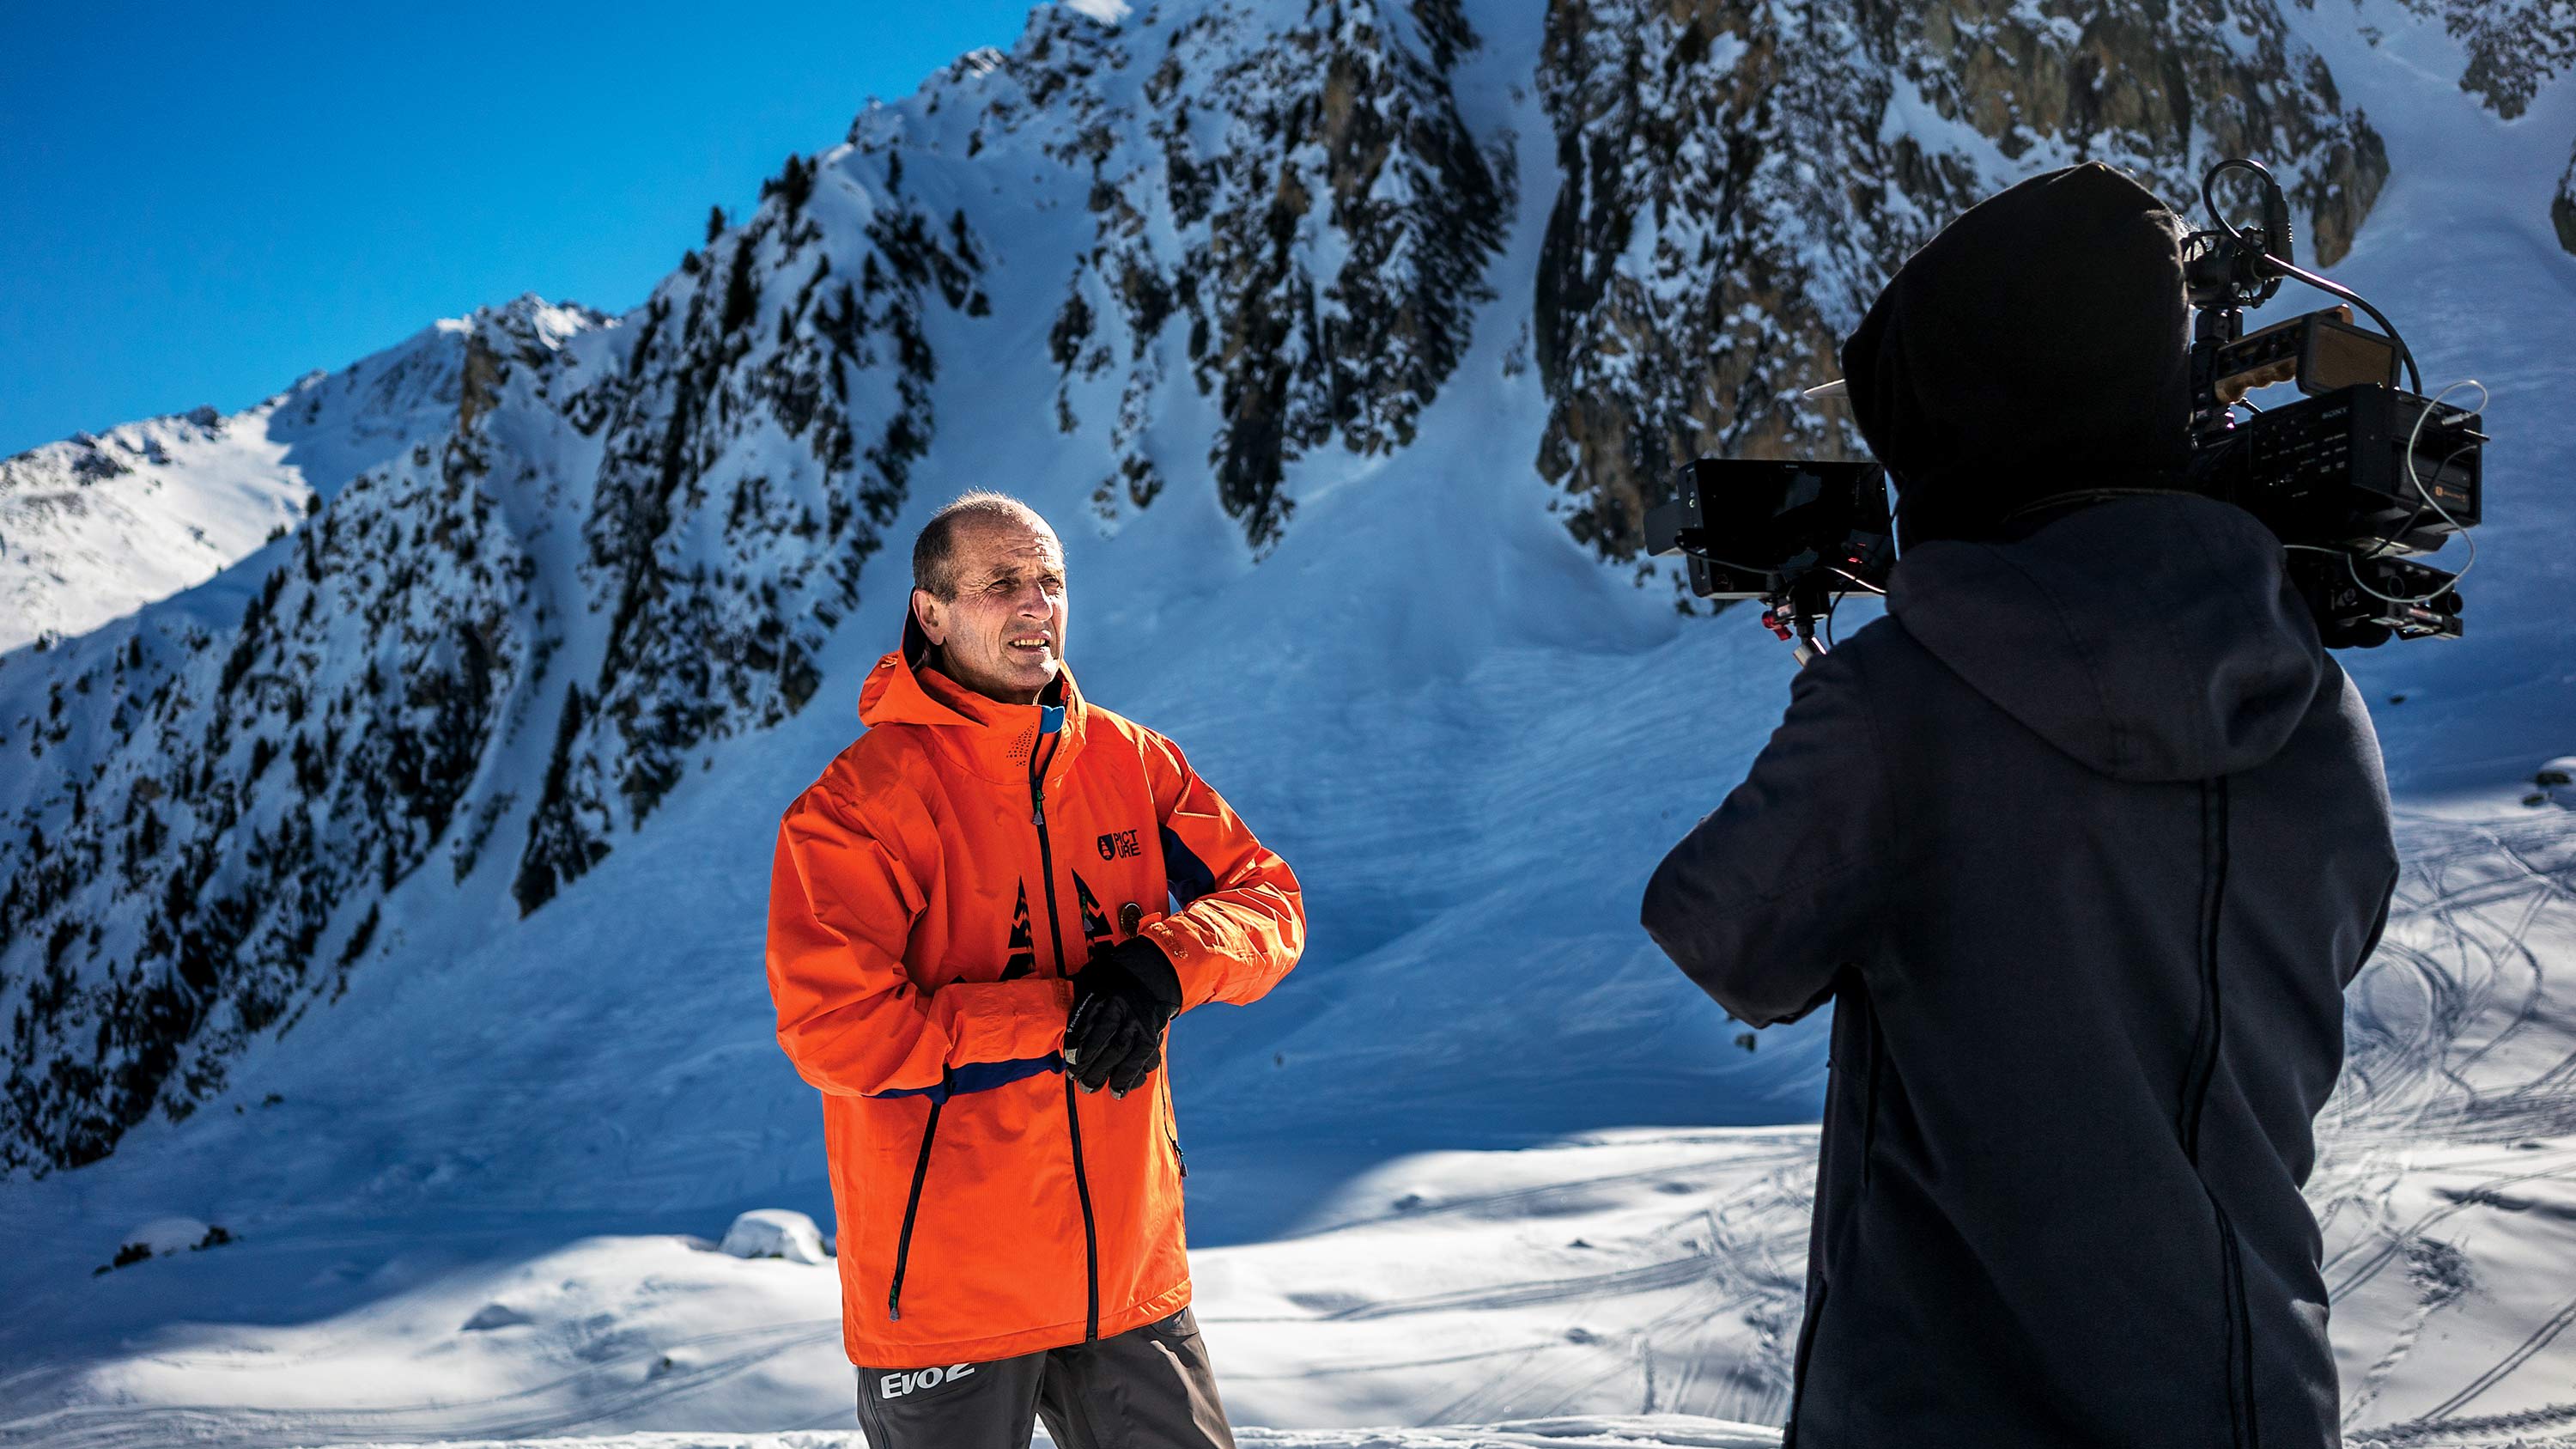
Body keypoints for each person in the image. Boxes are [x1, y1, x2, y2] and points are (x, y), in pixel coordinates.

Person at [1640, 163, 2402, 1447]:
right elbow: (2332, 922)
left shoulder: (1899, 704)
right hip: (2256, 1400)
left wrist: (1856, 686)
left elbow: (1719, 930)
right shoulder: (2319, 702)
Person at [766, 491, 1303, 1449]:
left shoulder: (1132, 762)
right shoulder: (858, 806)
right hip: (948, 1288)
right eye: (1002, 582)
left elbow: (1269, 899)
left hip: (1125, 1268)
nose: (1036, 604)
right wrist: (1069, 1015)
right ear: (931, 613)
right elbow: (837, 1029)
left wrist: (1161, 968)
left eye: (1051, 580)